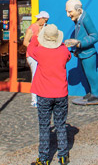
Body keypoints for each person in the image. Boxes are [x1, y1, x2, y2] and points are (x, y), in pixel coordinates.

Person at [27, 24, 72, 165]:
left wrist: (36, 36)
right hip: (61, 93)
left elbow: (29, 49)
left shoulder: (40, 51)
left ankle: (44, 158)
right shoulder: (64, 51)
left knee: (44, 126)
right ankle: (63, 156)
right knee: (61, 125)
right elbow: (68, 56)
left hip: (44, 93)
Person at [63, 0, 98, 103]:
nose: (68, 14)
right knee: (87, 74)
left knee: (91, 73)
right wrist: (77, 48)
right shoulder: (79, 19)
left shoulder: (85, 18)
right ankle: (92, 92)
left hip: (88, 53)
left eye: (70, 11)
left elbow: (95, 36)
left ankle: (97, 94)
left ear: (78, 10)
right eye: (67, 11)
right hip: (83, 53)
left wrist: (80, 43)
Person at [22, 11, 49, 108]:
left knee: (41, 75)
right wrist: (34, 49)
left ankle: (41, 96)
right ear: (41, 18)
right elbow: (25, 42)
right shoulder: (32, 28)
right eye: (45, 20)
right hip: (32, 55)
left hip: (40, 55)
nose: (46, 22)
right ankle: (34, 99)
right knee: (35, 75)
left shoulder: (44, 27)